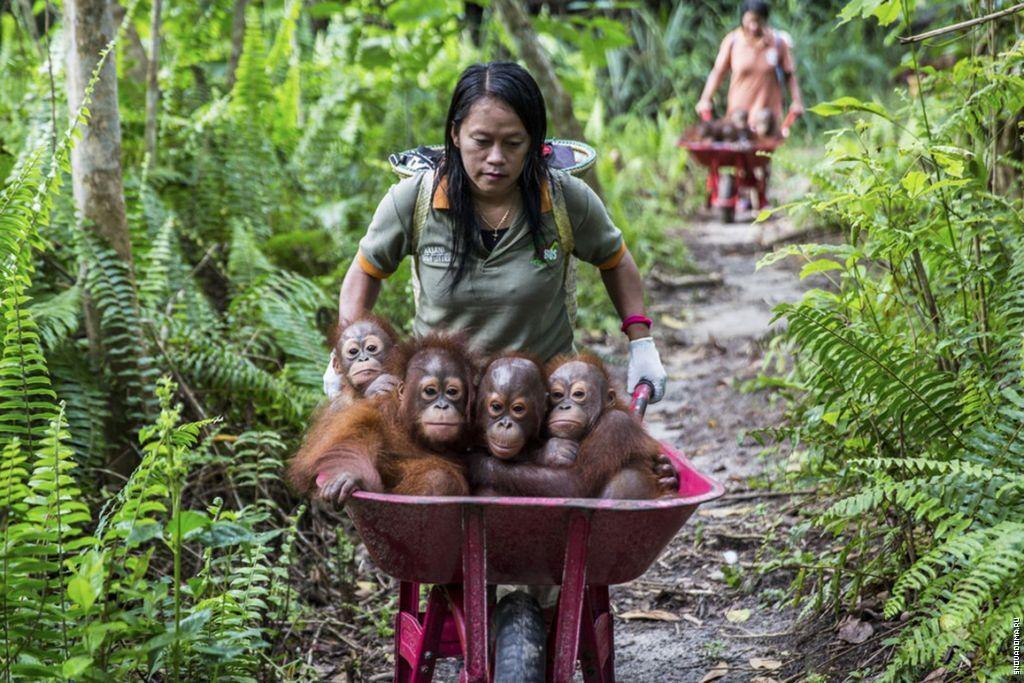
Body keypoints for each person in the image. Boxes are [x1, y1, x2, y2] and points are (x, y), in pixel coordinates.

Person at [324, 61, 668, 406]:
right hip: (440, 401)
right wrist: (346, 353)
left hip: (540, 401)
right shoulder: (415, 200)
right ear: (456, 134)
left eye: (513, 143)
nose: (496, 158)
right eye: (482, 141)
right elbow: (365, 271)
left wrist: (641, 343)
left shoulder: (565, 198)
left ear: (532, 141)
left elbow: (616, 260)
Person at [695, 0, 804, 210]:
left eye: (759, 21)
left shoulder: (777, 43)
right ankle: (739, 192)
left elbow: (790, 76)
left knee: (762, 157)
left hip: (767, 113)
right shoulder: (733, 41)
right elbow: (718, 72)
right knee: (737, 154)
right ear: (742, 19)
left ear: (765, 20)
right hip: (739, 115)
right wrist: (705, 97)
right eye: (750, 21)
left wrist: (797, 101)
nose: (754, 26)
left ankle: (762, 192)